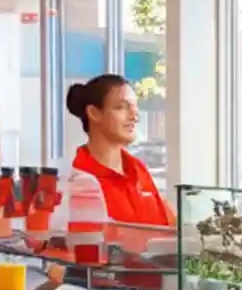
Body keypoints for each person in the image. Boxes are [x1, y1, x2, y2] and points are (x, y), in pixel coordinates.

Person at [66, 74, 174, 226]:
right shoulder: (79, 182)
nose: (134, 116)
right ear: (94, 113)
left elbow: (170, 224)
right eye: (121, 107)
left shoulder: (138, 169)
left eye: (135, 107)